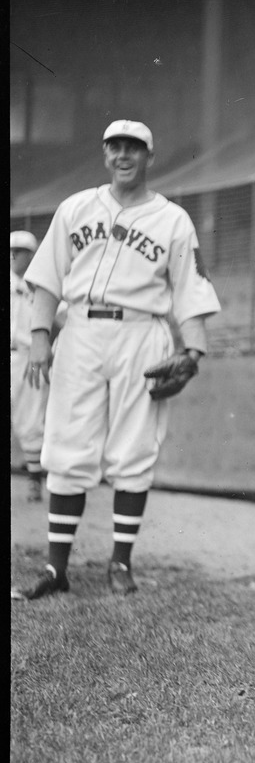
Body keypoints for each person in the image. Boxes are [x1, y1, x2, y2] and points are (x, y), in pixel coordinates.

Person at [15, 119, 222, 600]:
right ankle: (55, 568)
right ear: (105, 154)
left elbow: (191, 291)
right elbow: (46, 278)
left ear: (150, 156)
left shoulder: (173, 220)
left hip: (141, 333)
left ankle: (120, 564)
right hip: (81, 330)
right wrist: (41, 335)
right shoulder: (76, 208)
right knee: (66, 444)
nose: (124, 155)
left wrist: (192, 351)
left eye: (134, 147)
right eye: (115, 147)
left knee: (134, 448)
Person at [10, 230, 50, 502]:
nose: (14, 255)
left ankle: (35, 481)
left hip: (27, 358)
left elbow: (59, 317)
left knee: (31, 420)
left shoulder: (40, 285)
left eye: (21, 251)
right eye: (13, 250)